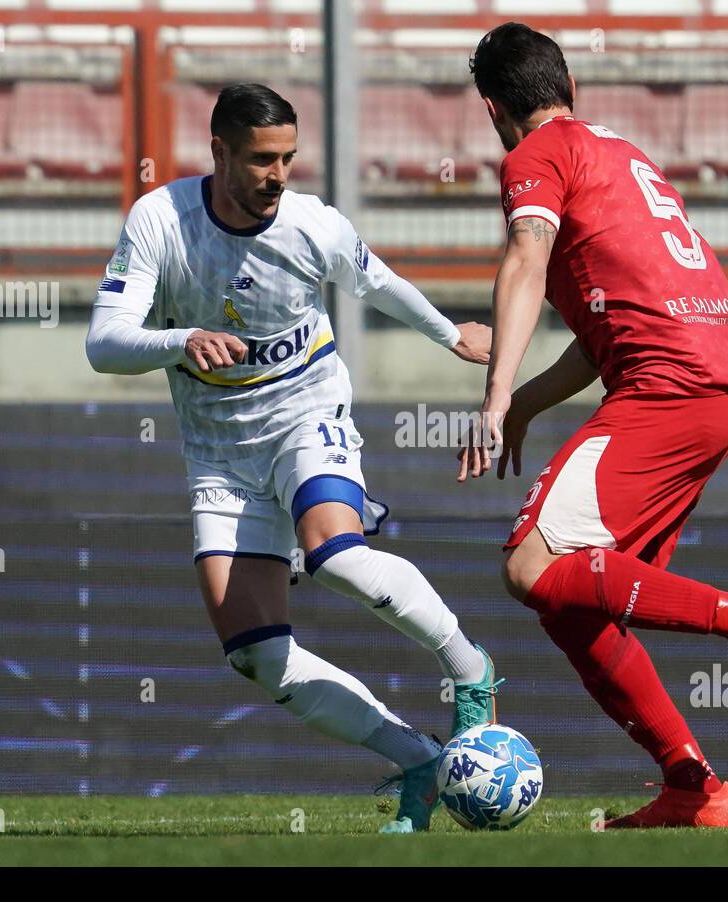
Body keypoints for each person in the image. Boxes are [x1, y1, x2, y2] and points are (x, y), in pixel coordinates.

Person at [86, 83, 500, 833]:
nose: (278, 174)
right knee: (256, 656)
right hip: (218, 453)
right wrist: (179, 341)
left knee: (335, 553)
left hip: (307, 414)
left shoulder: (311, 223)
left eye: (288, 157)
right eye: (261, 159)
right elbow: (104, 342)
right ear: (218, 152)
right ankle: (422, 760)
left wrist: (449, 334)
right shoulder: (161, 221)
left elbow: (375, 280)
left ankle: (469, 667)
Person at [457, 24, 728, 829]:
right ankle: (693, 785)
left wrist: (494, 393)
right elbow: (600, 339)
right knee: (570, 599)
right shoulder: (618, 154)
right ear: (567, 85)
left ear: (492, 107)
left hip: (671, 383)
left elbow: (524, 254)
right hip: (715, 380)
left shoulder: (535, 159)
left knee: (528, 564)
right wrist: (527, 403)